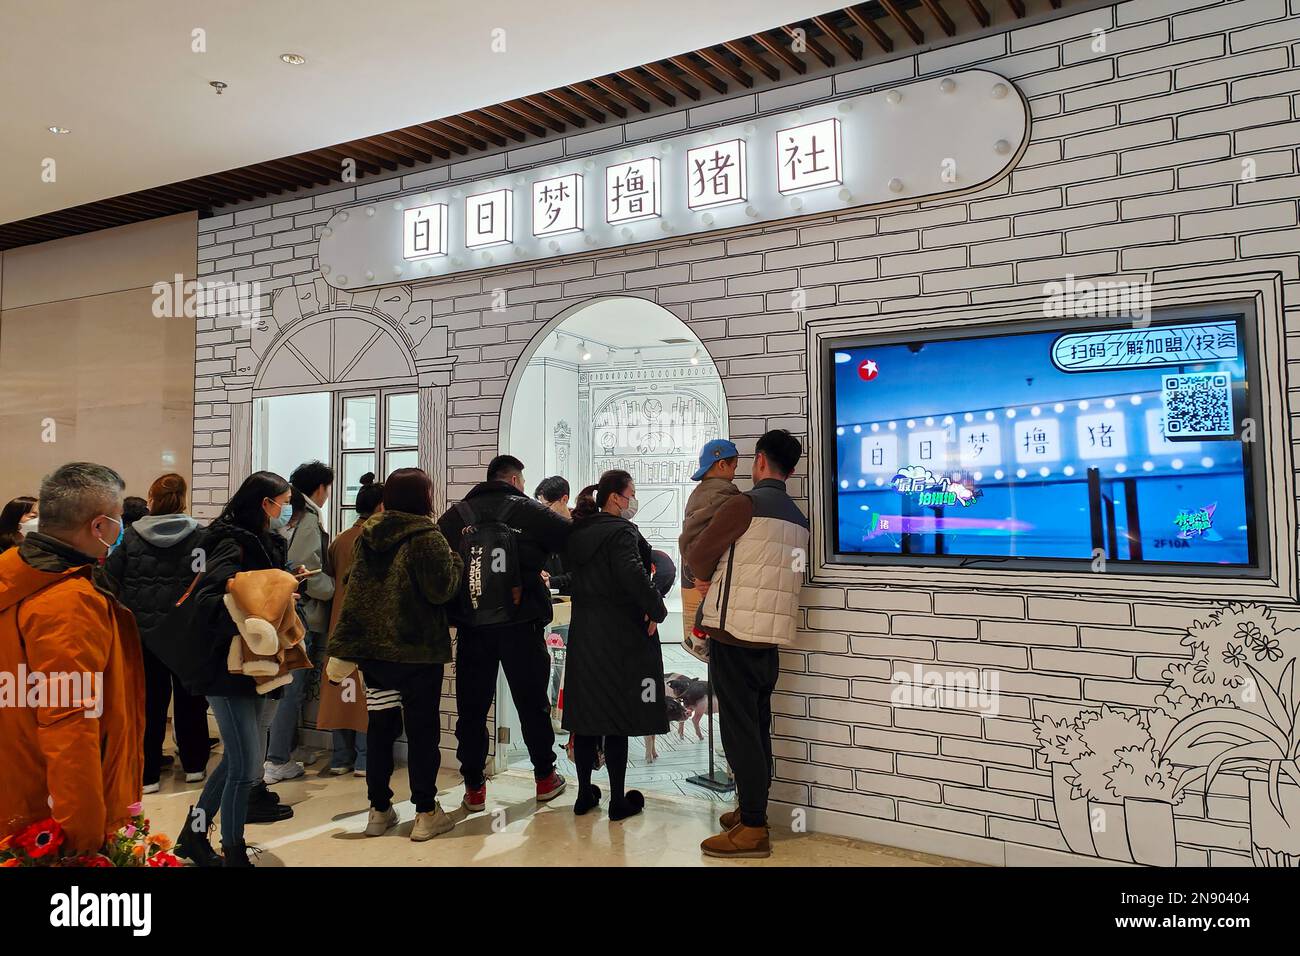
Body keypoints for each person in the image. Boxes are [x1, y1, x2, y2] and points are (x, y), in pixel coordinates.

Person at [0, 463, 144, 855]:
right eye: (118, 523)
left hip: (14, 801)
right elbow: (71, 729)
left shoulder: (12, 580)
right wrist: (82, 845)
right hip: (48, 827)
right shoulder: (69, 603)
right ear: (99, 527)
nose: (121, 532)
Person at [686, 430, 808, 860]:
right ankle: (751, 810)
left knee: (739, 732)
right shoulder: (797, 517)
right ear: (790, 470)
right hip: (769, 639)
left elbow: (700, 555)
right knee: (757, 726)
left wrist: (703, 576)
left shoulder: (745, 504)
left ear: (759, 462)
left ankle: (754, 828)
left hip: (733, 631)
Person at [330, 468, 463, 841]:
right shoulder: (427, 535)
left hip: (374, 654)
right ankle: (424, 812)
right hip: (417, 653)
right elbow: (441, 589)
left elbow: (350, 583)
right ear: (424, 496)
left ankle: (378, 810)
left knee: (380, 729)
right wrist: (455, 561)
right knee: (422, 732)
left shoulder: (367, 535)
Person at [175, 471, 300, 868]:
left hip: (256, 665)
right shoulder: (230, 541)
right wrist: (260, 604)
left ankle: (193, 835)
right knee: (246, 768)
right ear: (265, 504)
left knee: (236, 760)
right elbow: (211, 598)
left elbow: (258, 588)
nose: (287, 510)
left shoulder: (265, 542)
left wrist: (283, 586)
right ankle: (233, 851)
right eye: (283, 501)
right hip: (227, 665)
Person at [437, 454, 571, 811]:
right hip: (521, 624)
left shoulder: (455, 516)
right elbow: (570, 543)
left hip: (472, 627)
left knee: (472, 708)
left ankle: (474, 788)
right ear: (514, 481)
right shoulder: (530, 512)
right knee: (532, 703)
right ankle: (545, 778)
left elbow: (440, 565)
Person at [561, 469, 669, 820]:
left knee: (588, 713)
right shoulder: (622, 533)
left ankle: (583, 795)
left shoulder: (578, 532)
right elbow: (634, 577)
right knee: (618, 716)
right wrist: (657, 608)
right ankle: (617, 800)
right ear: (614, 498)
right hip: (619, 633)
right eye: (630, 494)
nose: (632, 500)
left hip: (584, 630)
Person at [101, 473, 210, 794]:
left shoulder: (130, 537)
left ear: (152, 500)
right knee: (191, 702)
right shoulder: (201, 537)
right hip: (188, 633)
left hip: (143, 635)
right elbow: (207, 579)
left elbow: (109, 579)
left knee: (149, 704)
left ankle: (147, 774)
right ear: (183, 499)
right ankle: (194, 765)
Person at [264, 460, 336, 784]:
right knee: (291, 689)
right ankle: (277, 758)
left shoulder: (282, 515)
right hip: (302, 613)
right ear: (320, 488)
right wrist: (334, 589)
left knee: (281, 685)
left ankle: (281, 752)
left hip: (275, 611)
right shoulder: (307, 518)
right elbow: (309, 571)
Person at [318, 473, 384, 776]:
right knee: (367, 691)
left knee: (339, 689)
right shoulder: (378, 540)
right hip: (370, 625)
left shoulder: (341, 540)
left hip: (338, 624)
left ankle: (340, 757)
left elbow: (329, 579)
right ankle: (364, 757)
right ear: (381, 506)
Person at [678, 439, 741, 663]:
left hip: (692, 559)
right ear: (721, 464)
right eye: (733, 465)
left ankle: (697, 637)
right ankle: (697, 638)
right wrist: (703, 574)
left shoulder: (699, 492)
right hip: (706, 561)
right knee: (714, 602)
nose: (735, 471)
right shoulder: (725, 493)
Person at [534, 475, 573, 593]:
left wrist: (553, 581)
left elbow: (585, 573)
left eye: (548, 505)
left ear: (564, 499)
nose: (543, 510)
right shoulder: (541, 530)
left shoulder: (580, 529)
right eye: (541, 505)